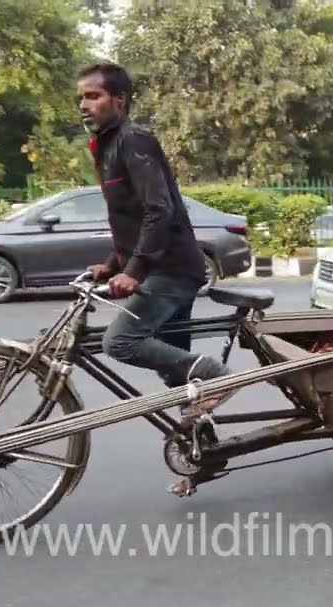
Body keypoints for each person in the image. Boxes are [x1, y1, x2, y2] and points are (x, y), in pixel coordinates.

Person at [76, 62, 236, 421]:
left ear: (119, 100)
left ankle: (216, 375)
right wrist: (113, 265)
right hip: (165, 268)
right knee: (178, 378)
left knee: (119, 342)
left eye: (93, 96)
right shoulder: (108, 146)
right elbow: (130, 218)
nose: (84, 105)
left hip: (172, 270)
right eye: (81, 98)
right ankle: (199, 453)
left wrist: (134, 271)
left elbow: (158, 209)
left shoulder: (133, 140)